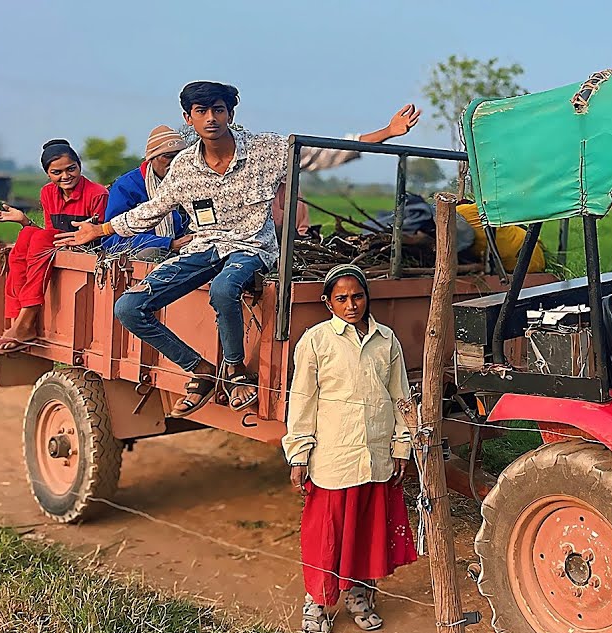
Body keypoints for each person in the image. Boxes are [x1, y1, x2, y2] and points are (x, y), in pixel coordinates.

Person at [59, 81, 421, 417]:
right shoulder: (184, 166)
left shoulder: (267, 150)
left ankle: (235, 372)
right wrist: (100, 228)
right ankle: (200, 369)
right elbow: (153, 209)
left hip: (251, 247)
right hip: (204, 246)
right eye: (200, 111)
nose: (210, 118)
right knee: (129, 306)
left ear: (230, 114)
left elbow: (322, 153)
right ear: (189, 119)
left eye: (217, 110)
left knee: (224, 288)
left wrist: (387, 132)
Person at [282, 264, 417, 633]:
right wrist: (299, 453)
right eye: (341, 298)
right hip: (333, 455)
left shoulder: (386, 340)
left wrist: (401, 445)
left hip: (374, 453)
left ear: (366, 297)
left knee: (365, 532)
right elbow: (303, 401)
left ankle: (359, 594)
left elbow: (399, 396)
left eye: (357, 296)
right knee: (328, 533)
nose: (351, 304)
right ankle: (319, 601)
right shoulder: (316, 341)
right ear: (328, 303)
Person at [0, 140, 108, 354]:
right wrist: (24, 221)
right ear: (48, 174)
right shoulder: (47, 192)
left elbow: (101, 235)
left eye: (71, 169)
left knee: (39, 238)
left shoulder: (97, 194)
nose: (66, 176)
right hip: (57, 243)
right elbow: (50, 230)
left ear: (79, 165)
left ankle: (25, 321)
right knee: (26, 236)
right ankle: (17, 318)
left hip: (86, 247)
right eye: (56, 172)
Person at [102, 125, 192, 259]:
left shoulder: (190, 183)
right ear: (151, 158)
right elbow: (111, 240)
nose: (174, 163)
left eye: (180, 157)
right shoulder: (126, 186)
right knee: (151, 254)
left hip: (181, 251)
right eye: (168, 157)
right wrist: (168, 243)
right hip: (141, 257)